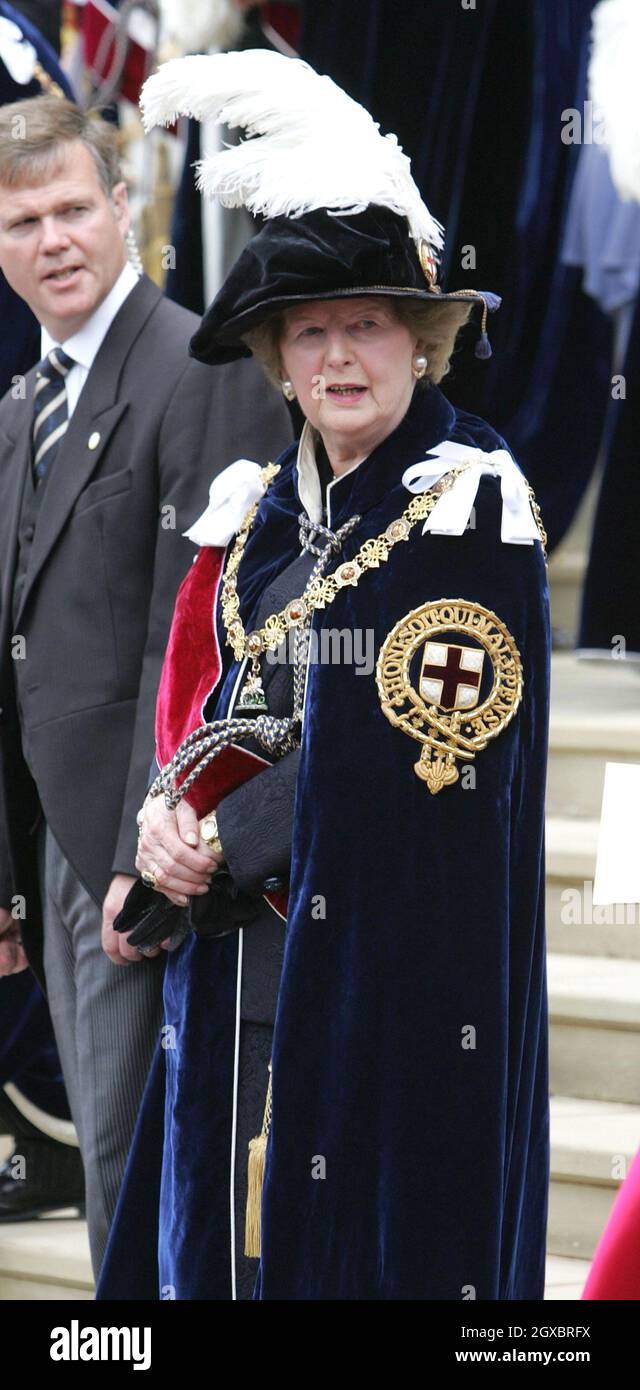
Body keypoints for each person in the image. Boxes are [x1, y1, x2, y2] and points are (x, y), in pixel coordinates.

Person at [102, 49, 550, 1301]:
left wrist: (225, 836)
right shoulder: (255, 516)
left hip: (387, 992)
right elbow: (211, 704)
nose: (340, 356)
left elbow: (429, 764)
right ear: (278, 362)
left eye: (367, 325)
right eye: (312, 333)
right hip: (236, 968)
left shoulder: (471, 506)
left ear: (422, 342)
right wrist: (164, 822)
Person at [0, 92, 291, 1276]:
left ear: (126, 210)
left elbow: (198, 636)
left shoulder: (196, 369)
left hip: (143, 843)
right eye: (22, 222)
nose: (52, 239)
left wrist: (138, 847)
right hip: (50, 848)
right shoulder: (19, 406)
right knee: (112, 1153)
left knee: (139, 1158)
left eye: (75, 208)